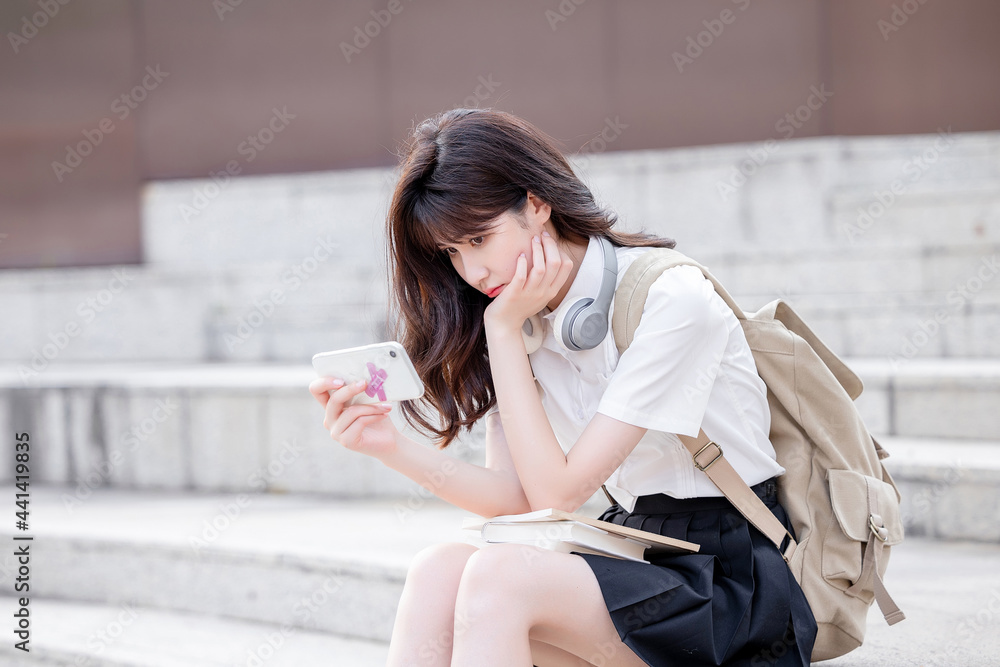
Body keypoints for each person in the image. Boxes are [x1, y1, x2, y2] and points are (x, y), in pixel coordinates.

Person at [309, 108, 817, 666]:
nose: (473, 272)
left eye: (479, 237)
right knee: (438, 572)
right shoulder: (519, 316)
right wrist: (388, 446)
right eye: (452, 252)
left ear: (536, 204)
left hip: (734, 584)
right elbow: (519, 500)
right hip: (638, 552)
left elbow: (557, 495)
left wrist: (503, 333)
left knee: (500, 578)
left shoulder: (670, 300)